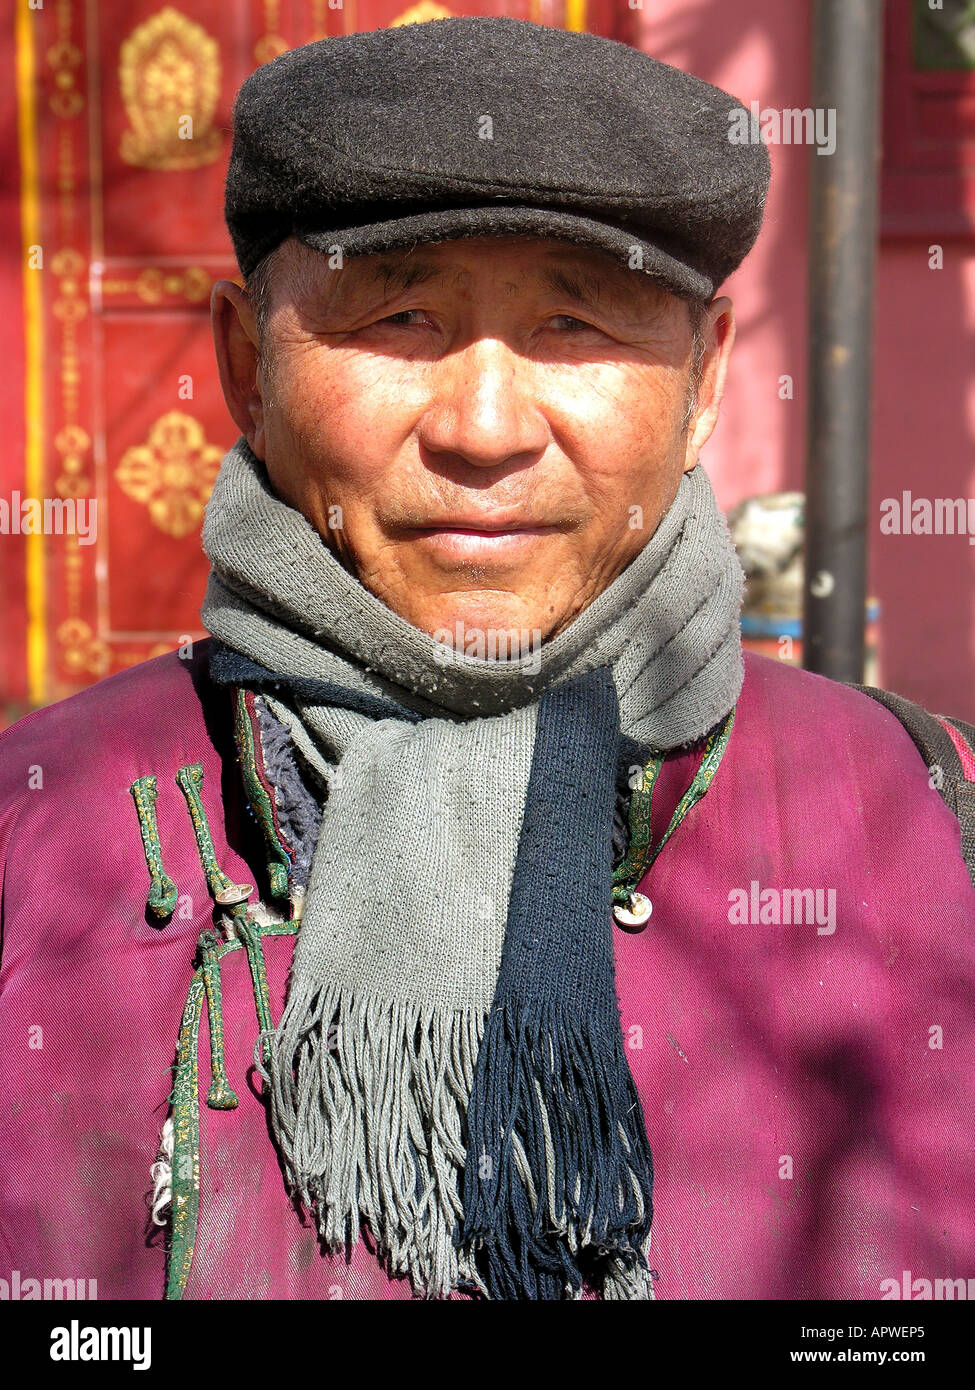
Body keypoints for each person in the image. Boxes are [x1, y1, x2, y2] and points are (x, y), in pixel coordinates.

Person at [0, 16, 972, 1303]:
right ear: (245, 364)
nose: (487, 429)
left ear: (707, 382)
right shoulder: (38, 838)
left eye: (578, 326)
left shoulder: (921, 814)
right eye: (402, 318)